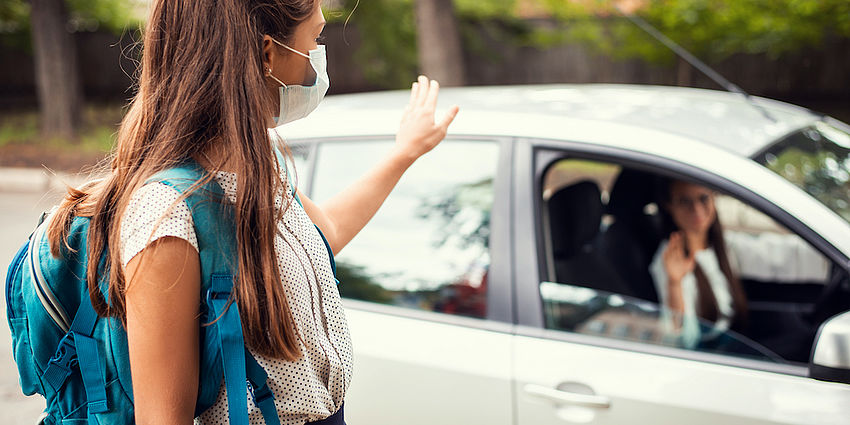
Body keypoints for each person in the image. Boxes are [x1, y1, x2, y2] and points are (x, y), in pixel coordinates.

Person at [45, 0, 458, 423]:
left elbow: (326, 230)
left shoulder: (258, 167)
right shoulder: (165, 216)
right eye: (315, 40)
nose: (319, 61)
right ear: (266, 55)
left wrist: (405, 153)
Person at [649, 179, 830, 350]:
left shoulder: (722, 246)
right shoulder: (670, 260)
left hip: (733, 338)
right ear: (669, 205)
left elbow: (777, 255)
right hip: (709, 353)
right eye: (684, 201)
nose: (696, 209)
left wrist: (829, 253)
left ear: (713, 197)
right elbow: (683, 340)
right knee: (812, 344)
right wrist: (675, 283)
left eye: (703, 198)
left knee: (806, 335)